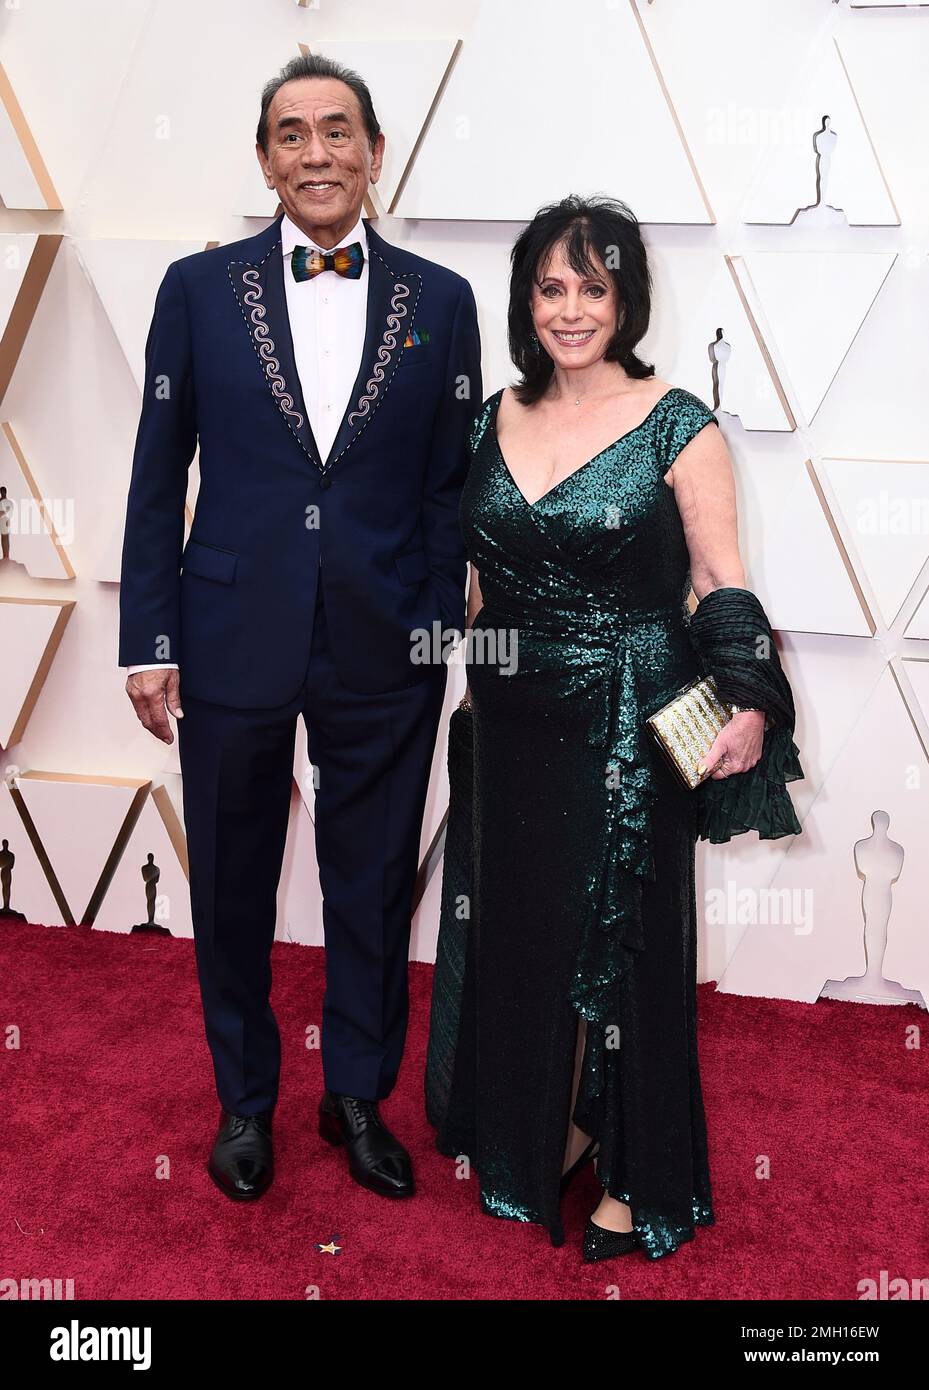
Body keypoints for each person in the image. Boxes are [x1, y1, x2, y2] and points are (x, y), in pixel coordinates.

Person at [119, 53, 481, 1203]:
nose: (315, 153)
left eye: (337, 131)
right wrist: (149, 633)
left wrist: (433, 615)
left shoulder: (444, 300)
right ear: (264, 158)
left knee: (370, 878)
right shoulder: (195, 287)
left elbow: (449, 484)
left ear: (376, 152)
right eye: (291, 134)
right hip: (228, 627)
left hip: (387, 640)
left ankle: (357, 1095)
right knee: (230, 874)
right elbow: (152, 471)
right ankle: (242, 1101)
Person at [425, 195, 803, 1261]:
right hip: (509, 720)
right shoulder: (488, 416)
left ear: (626, 297)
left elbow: (719, 581)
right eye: (551, 286)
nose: (571, 308)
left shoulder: (677, 419)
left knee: (623, 947)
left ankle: (638, 1171)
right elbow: (477, 585)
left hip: (634, 719)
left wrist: (745, 696)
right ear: (525, 299)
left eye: (594, 285)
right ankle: (545, 1124)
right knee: (522, 936)